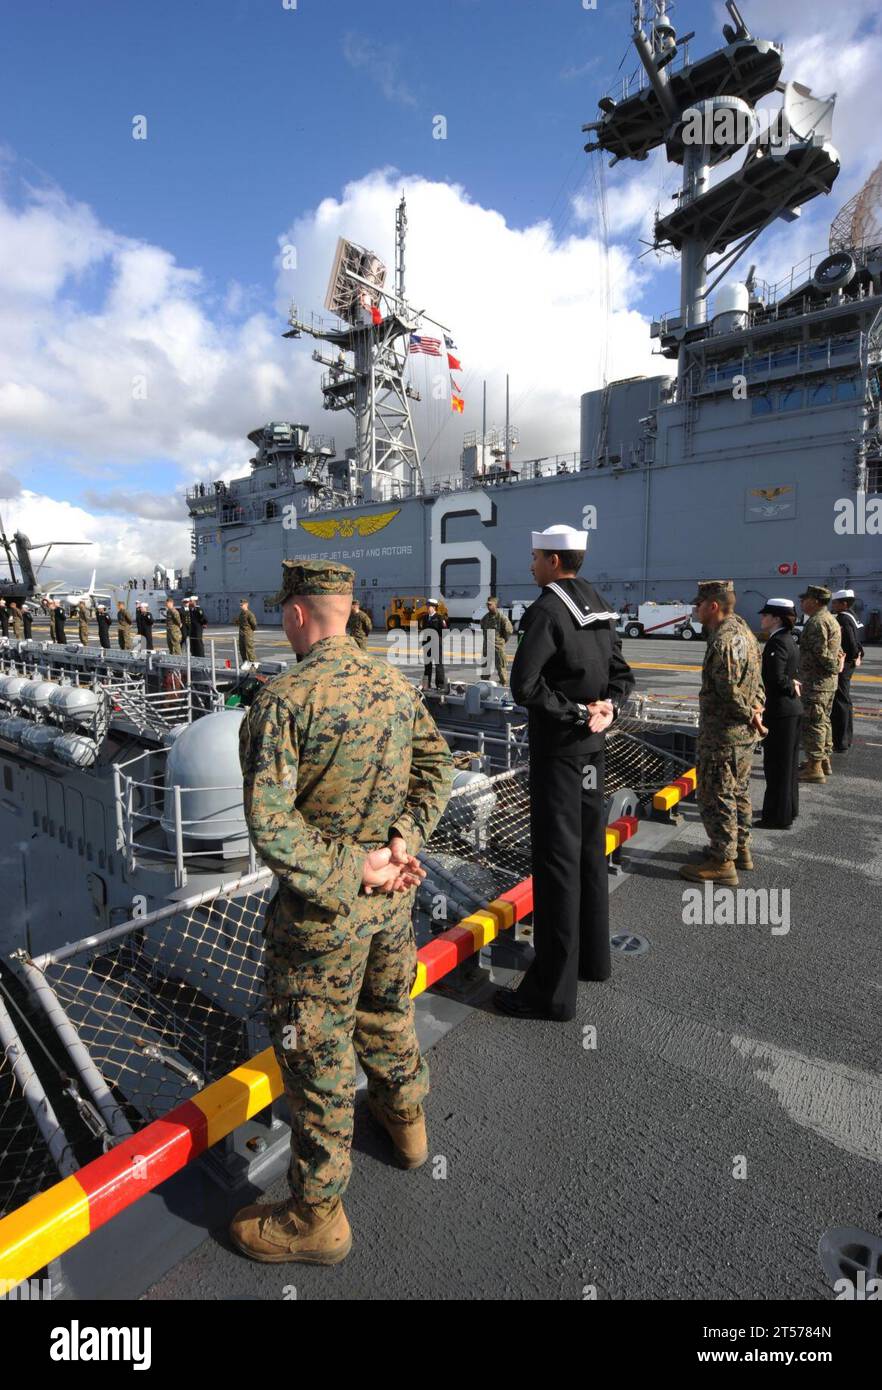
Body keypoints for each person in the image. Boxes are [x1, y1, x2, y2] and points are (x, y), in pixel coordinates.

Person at [230, 560, 453, 1265]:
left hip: (323, 921)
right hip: (393, 901)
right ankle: (407, 1122)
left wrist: (350, 865)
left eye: (283, 615)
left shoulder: (284, 700)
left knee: (316, 1056)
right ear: (349, 608)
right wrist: (402, 841)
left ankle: (316, 1217)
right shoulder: (394, 684)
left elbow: (270, 824)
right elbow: (437, 766)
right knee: (388, 1010)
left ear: (297, 614)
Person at [495, 524, 634, 1022]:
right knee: (589, 855)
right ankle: (593, 961)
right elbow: (621, 676)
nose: (530, 565)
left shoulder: (549, 610)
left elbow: (525, 686)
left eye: (534, 557)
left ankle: (550, 995)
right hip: (594, 752)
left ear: (554, 561)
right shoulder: (598, 605)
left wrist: (576, 713)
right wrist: (606, 711)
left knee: (556, 866)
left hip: (558, 755)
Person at [679, 580, 764, 886]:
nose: (695, 609)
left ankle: (721, 862)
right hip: (740, 735)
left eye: (699, 604)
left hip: (723, 735)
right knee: (739, 791)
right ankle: (740, 850)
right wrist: (757, 709)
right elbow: (757, 675)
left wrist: (750, 714)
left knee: (717, 796)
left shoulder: (723, 640)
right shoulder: (743, 630)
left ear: (712, 606)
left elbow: (729, 691)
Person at [756, 599, 802, 829]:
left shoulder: (777, 642)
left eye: (766, 615)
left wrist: (788, 685)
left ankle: (775, 817)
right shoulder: (789, 639)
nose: (762, 618)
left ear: (777, 618)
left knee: (776, 767)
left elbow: (775, 677)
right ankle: (789, 810)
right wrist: (791, 683)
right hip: (791, 711)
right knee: (789, 766)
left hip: (781, 712)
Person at [798, 584, 842, 783]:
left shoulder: (817, 622)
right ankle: (823, 761)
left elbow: (821, 654)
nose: (802, 602)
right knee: (823, 721)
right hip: (827, 683)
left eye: (805, 599)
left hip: (816, 682)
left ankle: (814, 767)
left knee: (814, 724)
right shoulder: (830, 619)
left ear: (815, 601)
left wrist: (835, 666)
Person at [831, 588, 864, 753]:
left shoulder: (843, 619)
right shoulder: (852, 616)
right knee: (845, 701)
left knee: (841, 702)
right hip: (850, 664)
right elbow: (857, 643)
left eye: (835, 602)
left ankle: (841, 741)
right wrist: (858, 655)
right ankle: (846, 738)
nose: (833, 605)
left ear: (844, 603)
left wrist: (848, 658)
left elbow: (850, 643)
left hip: (844, 666)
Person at [480, 596, 513, 684]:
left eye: (490, 604)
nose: (488, 606)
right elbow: (483, 629)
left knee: (501, 667)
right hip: (487, 647)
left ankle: (504, 684)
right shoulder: (485, 618)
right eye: (487, 604)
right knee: (485, 668)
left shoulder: (502, 618)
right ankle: (484, 685)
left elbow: (508, 631)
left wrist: (501, 641)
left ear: (496, 605)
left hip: (498, 647)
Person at [420, 600, 448, 692]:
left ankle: (440, 685)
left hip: (436, 644)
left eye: (429, 606)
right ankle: (426, 684)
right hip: (427, 645)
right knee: (427, 665)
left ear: (434, 607)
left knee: (438, 664)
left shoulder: (440, 617)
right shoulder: (424, 618)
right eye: (427, 606)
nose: (427, 608)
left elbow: (445, 631)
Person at [238, 599, 257, 663]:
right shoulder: (241, 614)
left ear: (246, 604)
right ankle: (245, 663)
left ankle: (252, 664)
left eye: (242, 605)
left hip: (247, 634)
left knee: (249, 650)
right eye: (240, 605)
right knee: (242, 649)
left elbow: (254, 624)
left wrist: (250, 631)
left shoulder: (249, 614)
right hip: (241, 634)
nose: (241, 606)